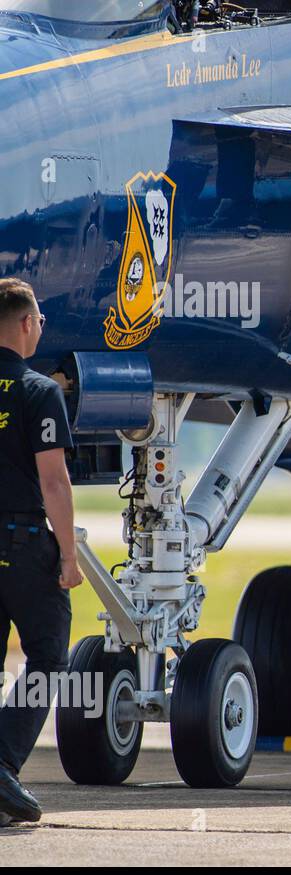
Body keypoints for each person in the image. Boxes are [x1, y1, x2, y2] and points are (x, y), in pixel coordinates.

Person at [0, 278, 80, 825]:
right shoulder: (38, 391)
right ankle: (2, 763)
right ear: (27, 324)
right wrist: (70, 556)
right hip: (23, 544)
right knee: (48, 658)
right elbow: (54, 482)